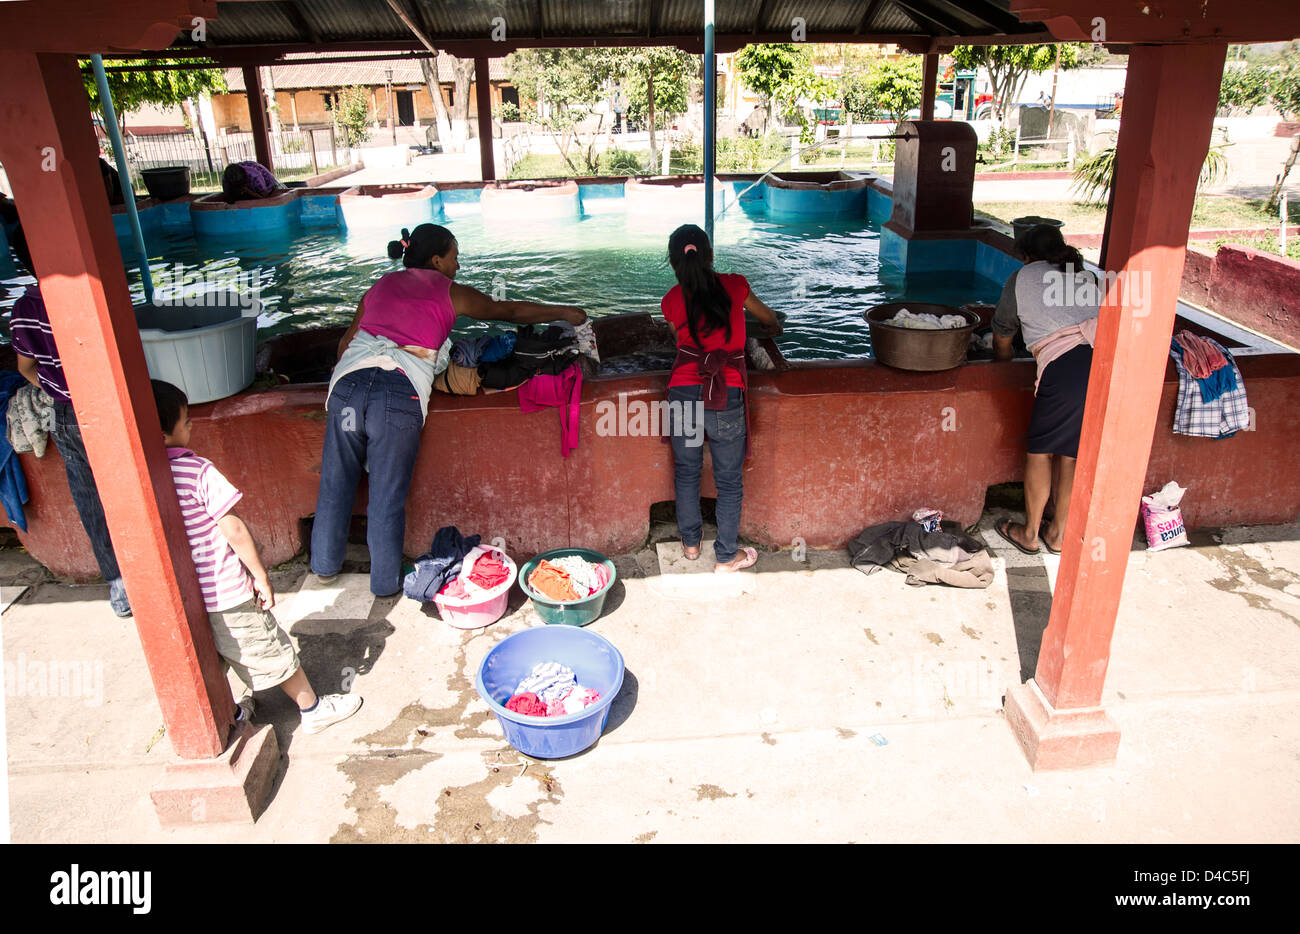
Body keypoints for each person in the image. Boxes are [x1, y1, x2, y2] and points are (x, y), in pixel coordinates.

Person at [311, 223, 587, 596]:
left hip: (348, 387)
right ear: (437, 260)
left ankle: (324, 567)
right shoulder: (450, 292)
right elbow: (508, 310)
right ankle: (383, 584)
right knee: (387, 493)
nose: (458, 266)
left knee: (335, 479)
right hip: (397, 394)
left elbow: (346, 342)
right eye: (455, 258)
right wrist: (566, 312)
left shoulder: (379, 286)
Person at [152, 380, 362, 734]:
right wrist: (260, 576)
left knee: (210, 658)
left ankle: (231, 713)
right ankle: (312, 710)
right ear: (161, 434)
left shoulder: (145, 478)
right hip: (223, 591)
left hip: (183, 596)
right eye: (186, 422)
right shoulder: (197, 471)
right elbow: (232, 529)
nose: (191, 427)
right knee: (271, 650)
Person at [3, 213, 131, 617]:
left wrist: (57, 388)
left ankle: (119, 585)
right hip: (111, 405)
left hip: (66, 413)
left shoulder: (24, 308)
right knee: (132, 483)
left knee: (89, 497)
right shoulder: (91, 293)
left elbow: (26, 369)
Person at [660, 223, 782, 573]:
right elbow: (768, 318)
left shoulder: (670, 300)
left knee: (686, 472)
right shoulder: (737, 285)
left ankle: (692, 545)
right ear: (711, 255)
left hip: (683, 391)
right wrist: (774, 328)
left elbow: (680, 341)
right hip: (726, 391)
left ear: (673, 264)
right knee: (729, 479)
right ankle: (727, 556)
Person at [992, 224, 1100, 556]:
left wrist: (1004, 358)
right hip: (1100, 362)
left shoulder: (1022, 277)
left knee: (1040, 452)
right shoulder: (1087, 277)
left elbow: (1003, 332)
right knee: (1069, 455)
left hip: (1064, 369)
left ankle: (1029, 533)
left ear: (1027, 254)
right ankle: (1058, 535)